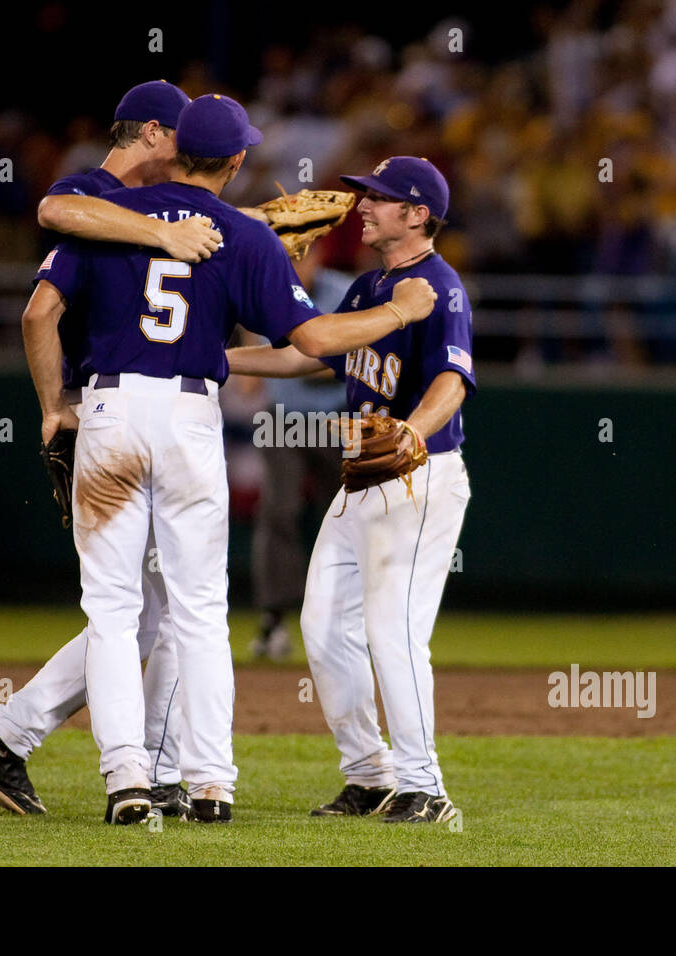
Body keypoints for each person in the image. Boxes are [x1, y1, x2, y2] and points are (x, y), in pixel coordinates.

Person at [21, 96, 437, 824]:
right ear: (238, 160)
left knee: (114, 612)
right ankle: (210, 783)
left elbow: (40, 304)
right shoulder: (245, 236)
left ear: (175, 148)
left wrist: (55, 405)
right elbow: (311, 343)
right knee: (201, 612)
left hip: (110, 408)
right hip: (187, 416)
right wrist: (399, 312)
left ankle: (126, 783)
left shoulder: (106, 210)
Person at [0, 81, 220, 819]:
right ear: (156, 133)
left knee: (146, 611)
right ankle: (108, 761)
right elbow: (49, 222)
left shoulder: (136, 208)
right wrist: (51, 409)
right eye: (182, 138)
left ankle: (9, 734)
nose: (190, 154)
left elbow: (41, 312)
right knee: (138, 609)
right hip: (116, 416)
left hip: (107, 418)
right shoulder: (90, 192)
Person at [226, 156, 473, 823]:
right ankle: (371, 776)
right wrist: (217, 359)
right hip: (364, 474)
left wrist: (414, 436)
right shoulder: (371, 286)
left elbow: (452, 381)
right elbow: (305, 354)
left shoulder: (439, 286)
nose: (362, 206)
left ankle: (427, 789)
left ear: (417, 214)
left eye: (380, 198)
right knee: (325, 624)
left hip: (418, 475)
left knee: (392, 631)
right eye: (364, 195)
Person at [247, 245, 352, 660]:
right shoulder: (265, 290)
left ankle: (343, 622)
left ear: (318, 256)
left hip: (338, 420)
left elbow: (350, 359)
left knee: (345, 520)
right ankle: (272, 623)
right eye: (288, 255)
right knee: (279, 512)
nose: (296, 264)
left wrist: (316, 363)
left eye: (302, 255)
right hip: (283, 420)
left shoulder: (344, 292)